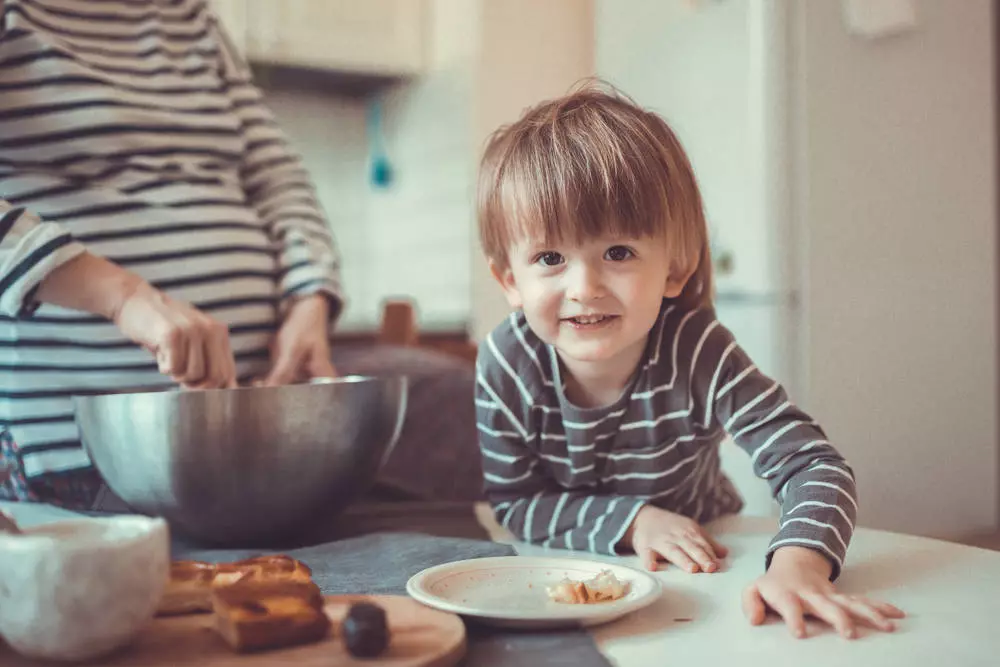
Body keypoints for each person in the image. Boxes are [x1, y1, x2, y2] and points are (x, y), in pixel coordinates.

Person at [0, 0, 482, 508]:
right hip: (78, 446)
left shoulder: (188, 18)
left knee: (458, 399)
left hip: (259, 408)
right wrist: (123, 299)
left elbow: (278, 177)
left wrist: (309, 300)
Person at [473, 82, 905, 639]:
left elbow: (814, 467)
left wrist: (798, 565)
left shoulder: (698, 349)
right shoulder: (505, 364)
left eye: (618, 252)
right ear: (510, 280)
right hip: (562, 581)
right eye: (550, 258)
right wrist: (633, 521)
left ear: (675, 268)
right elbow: (517, 503)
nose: (584, 286)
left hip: (706, 569)